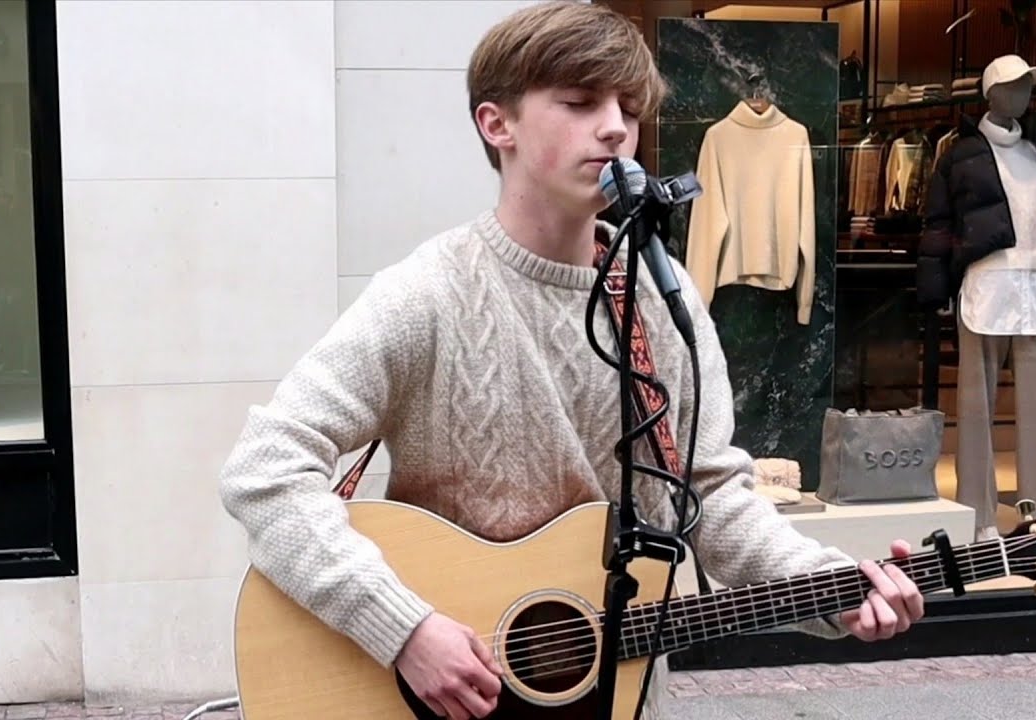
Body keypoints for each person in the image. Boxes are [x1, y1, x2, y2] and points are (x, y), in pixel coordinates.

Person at [219, 2, 924, 719]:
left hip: (612, 696)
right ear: (498, 125)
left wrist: (833, 587)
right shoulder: (427, 294)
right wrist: (402, 627)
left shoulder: (664, 295)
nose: (616, 126)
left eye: (628, 106)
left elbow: (709, 499)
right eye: (581, 102)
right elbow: (264, 470)